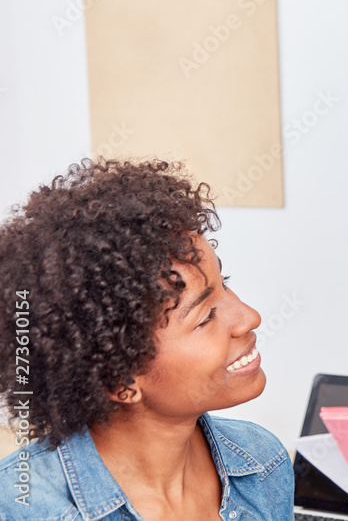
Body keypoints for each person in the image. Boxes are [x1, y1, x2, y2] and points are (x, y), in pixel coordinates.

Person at [0, 159, 293, 520]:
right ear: (119, 380)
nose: (250, 317)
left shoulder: (263, 464)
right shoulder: (21, 509)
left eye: (225, 284)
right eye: (205, 317)